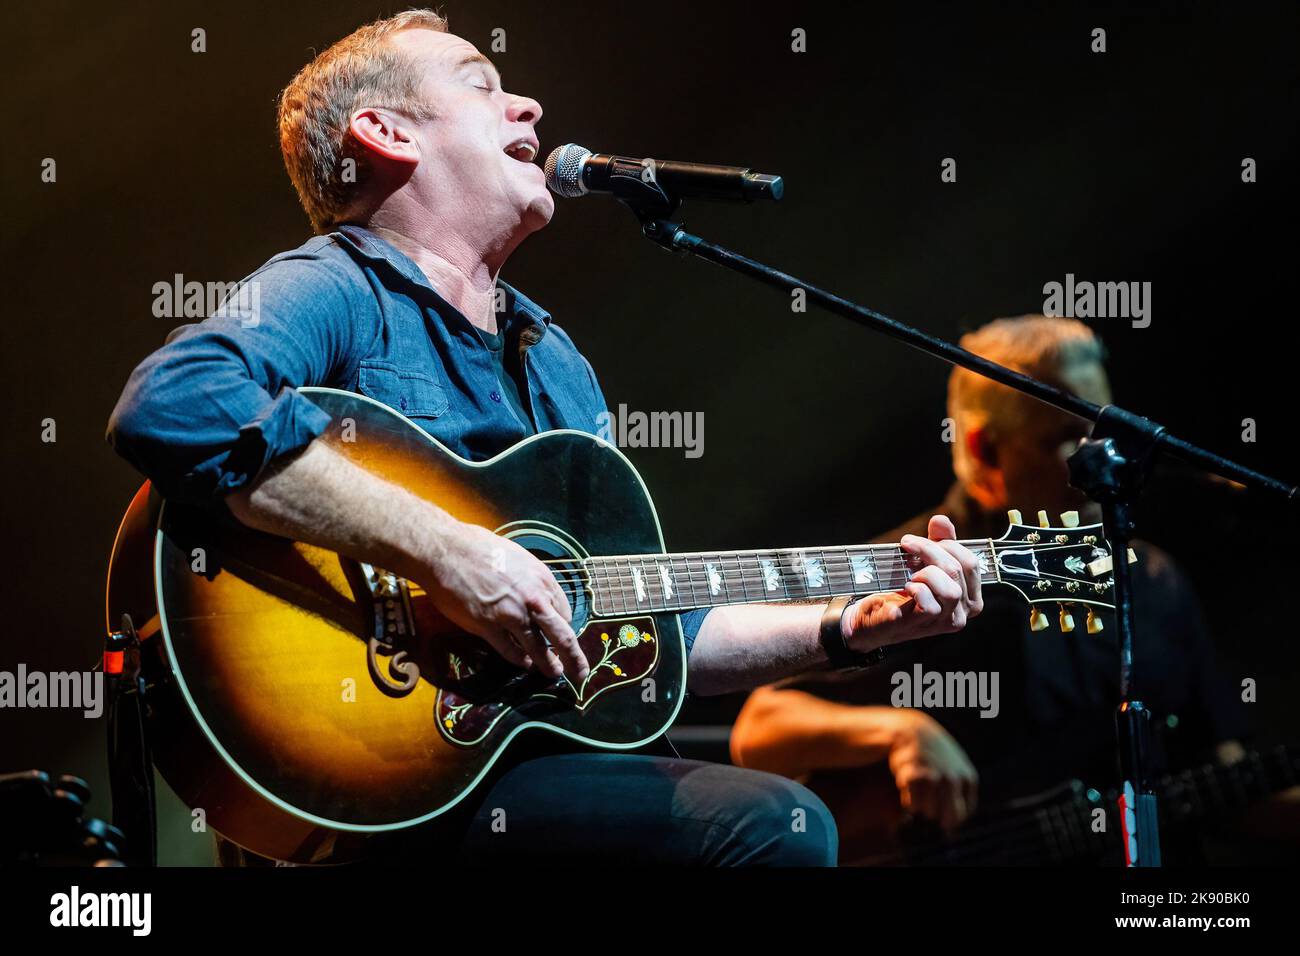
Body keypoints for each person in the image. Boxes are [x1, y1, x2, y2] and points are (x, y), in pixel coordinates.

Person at [106, 10, 983, 866]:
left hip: (531, 766)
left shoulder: (555, 359)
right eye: (481, 85)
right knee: (771, 823)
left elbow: (637, 619)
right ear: (383, 132)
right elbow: (177, 403)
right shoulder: (337, 286)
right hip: (381, 774)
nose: (527, 106)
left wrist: (849, 627)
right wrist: (448, 554)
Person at [731, 316, 1253, 863]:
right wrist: (900, 729)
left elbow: (1228, 777)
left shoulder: (1150, 577)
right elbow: (759, 728)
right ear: (985, 452)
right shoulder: (904, 569)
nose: (1101, 458)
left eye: (1104, 432)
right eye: (1065, 440)